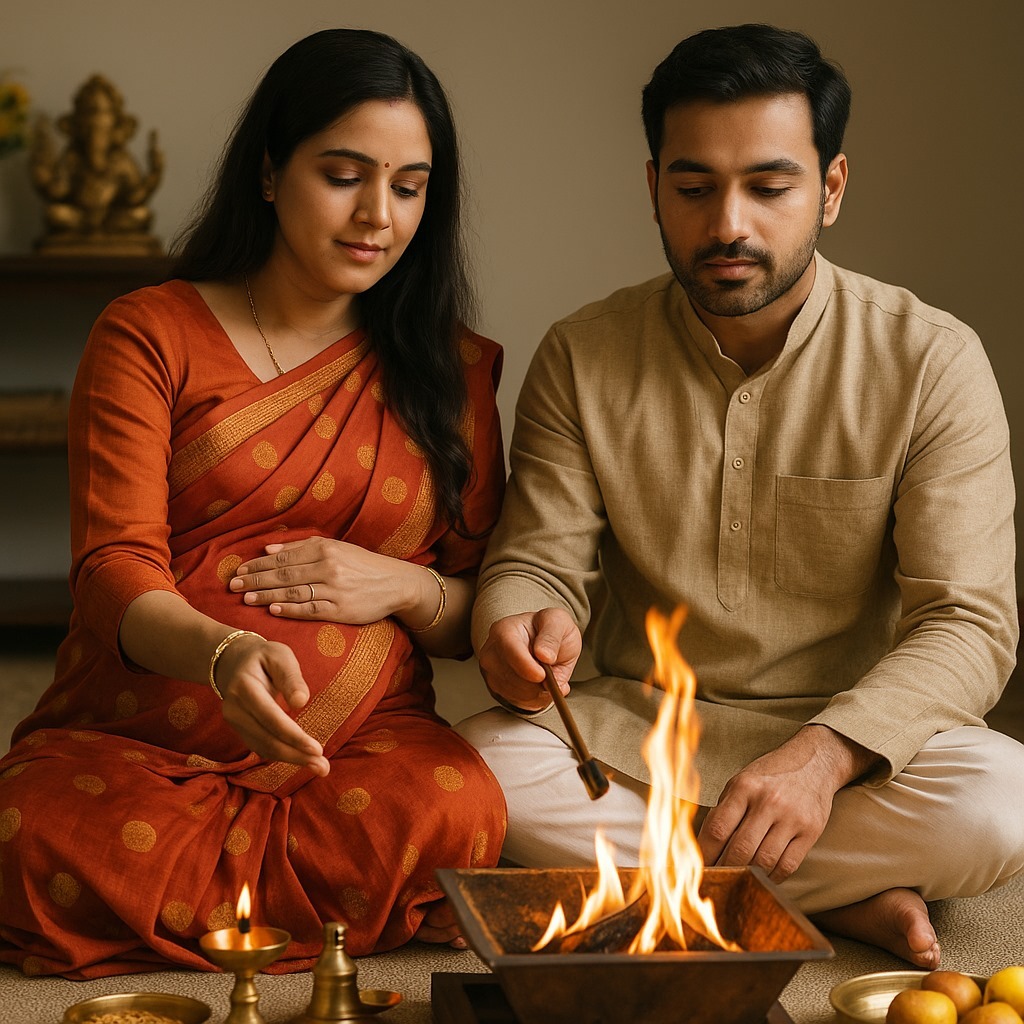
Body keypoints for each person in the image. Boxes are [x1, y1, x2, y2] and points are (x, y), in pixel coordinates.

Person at [459, 23, 1024, 969]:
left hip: (852, 753)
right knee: (470, 774)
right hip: (636, 739)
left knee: (1003, 803)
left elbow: (968, 622)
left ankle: (703, 889)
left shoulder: (931, 359)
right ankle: (840, 900)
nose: (729, 224)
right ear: (654, 189)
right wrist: (518, 625)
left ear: (830, 188)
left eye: (769, 187)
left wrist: (825, 756)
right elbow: (533, 563)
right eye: (694, 189)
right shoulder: (583, 354)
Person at [0, 28, 506, 979]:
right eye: (344, 176)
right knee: (26, 825)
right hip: (137, 737)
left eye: (409, 187)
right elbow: (112, 570)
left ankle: (193, 909)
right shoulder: (152, 332)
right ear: (270, 173)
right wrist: (224, 654)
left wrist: (402, 585)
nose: (378, 215)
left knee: (457, 804)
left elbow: (475, 611)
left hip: (355, 748)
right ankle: (334, 909)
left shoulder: (449, 369)